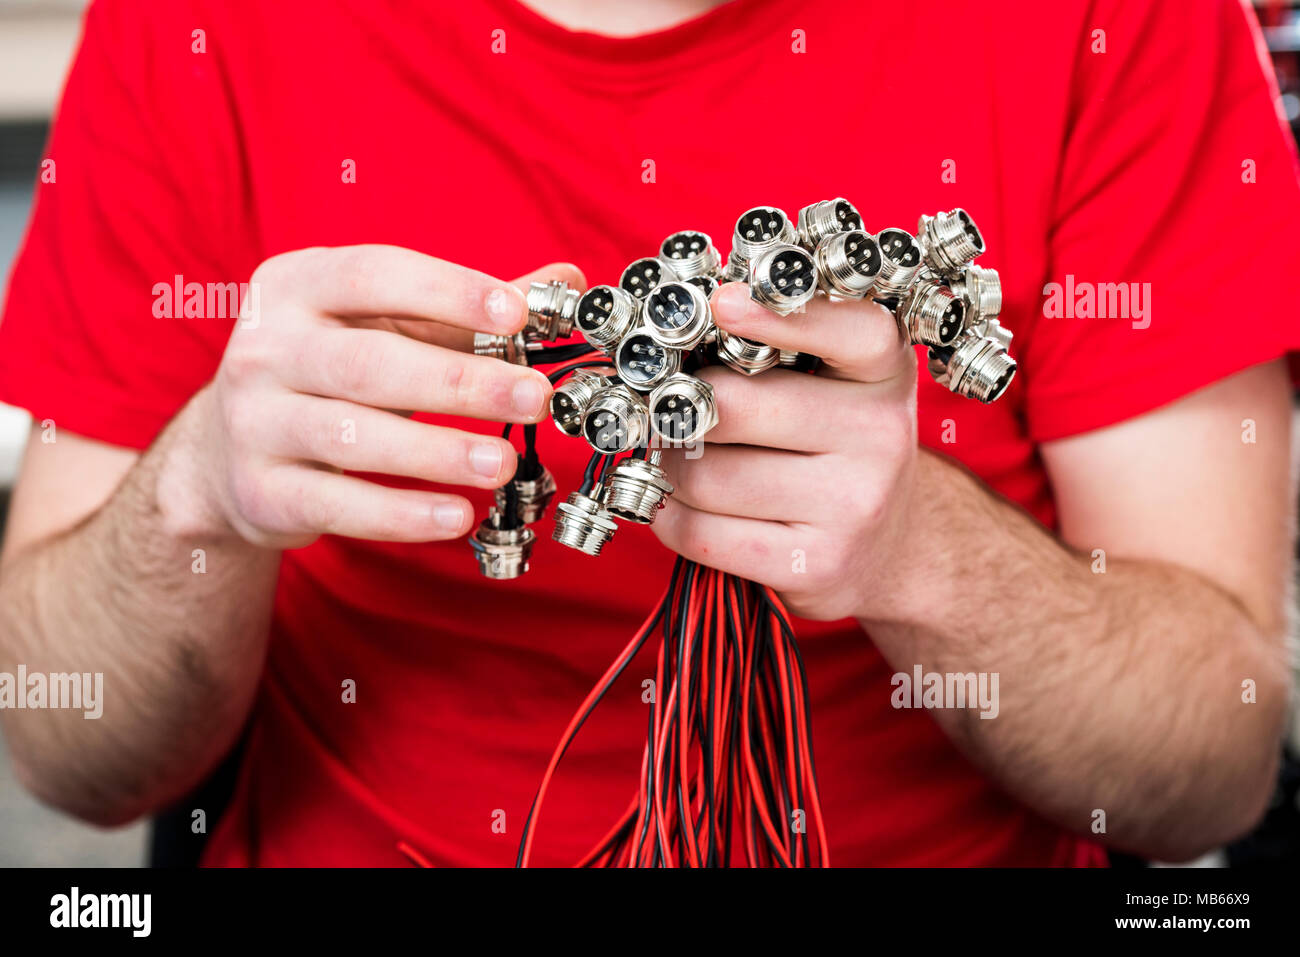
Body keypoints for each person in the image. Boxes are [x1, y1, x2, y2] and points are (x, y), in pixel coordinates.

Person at [0, 0, 1296, 866]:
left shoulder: (1119, 21)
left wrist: (921, 555)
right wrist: (196, 499)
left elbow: (1218, 762)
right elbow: (66, 744)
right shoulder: (199, 25)